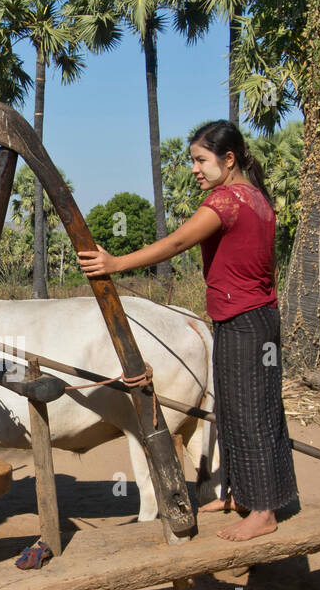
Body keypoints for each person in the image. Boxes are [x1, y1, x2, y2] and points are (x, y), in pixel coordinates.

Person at [78, 120, 298, 541]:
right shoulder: (255, 197)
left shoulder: (226, 201)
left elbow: (177, 243)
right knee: (240, 407)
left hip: (244, 319)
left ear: (228, 159)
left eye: (201, 160)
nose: (195, 169)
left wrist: (116, 263)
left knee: (250, 410)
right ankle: (247, 495)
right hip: (257, 315)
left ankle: (264, 512)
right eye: (192, 161)